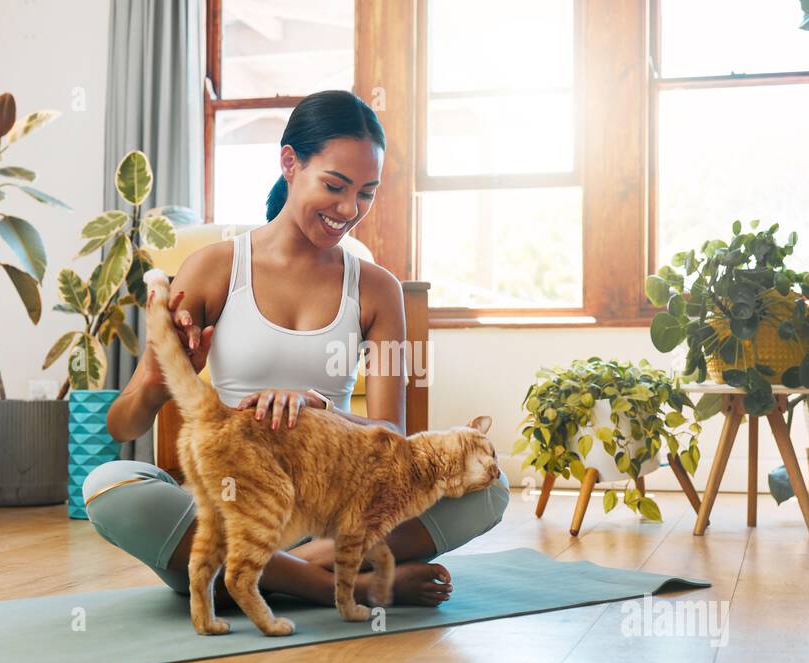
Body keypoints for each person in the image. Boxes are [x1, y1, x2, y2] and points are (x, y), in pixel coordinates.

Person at [83, 90, 510, 609]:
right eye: (334, 185)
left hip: (335, 516)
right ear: (290, 162)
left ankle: (247, 573)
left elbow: (393, 435)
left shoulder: (378, 290)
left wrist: (322, 410)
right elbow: (121, 427)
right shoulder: (214, 269)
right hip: (241, 502)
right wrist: (154, 378)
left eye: (367, 193)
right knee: (111, 484)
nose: (349, 210)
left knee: (489, 489)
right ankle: (337, 584)